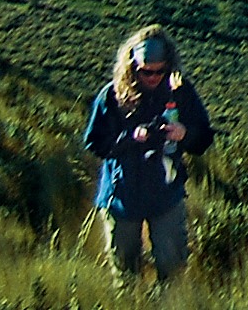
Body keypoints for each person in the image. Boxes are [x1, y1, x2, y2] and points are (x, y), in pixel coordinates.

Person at [85, 27, 214, 280]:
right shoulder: (112, 96)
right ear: (133, 65)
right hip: (121, 198)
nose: (153, 77)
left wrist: (184, 133)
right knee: (125, 277)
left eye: (160, 70)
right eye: (146, 71)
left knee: (174, 273)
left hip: (166, 196)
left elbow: (204, 139)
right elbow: (95, 142)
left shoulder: (181, 91)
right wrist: (131, 138)